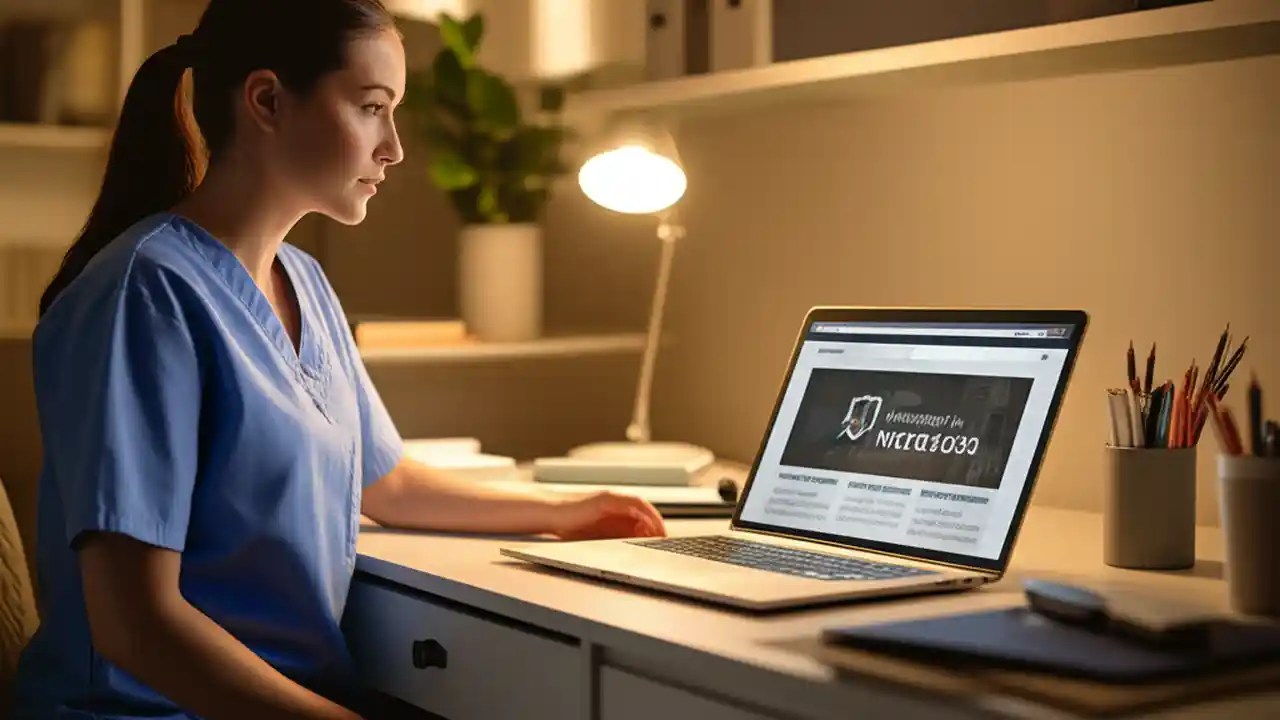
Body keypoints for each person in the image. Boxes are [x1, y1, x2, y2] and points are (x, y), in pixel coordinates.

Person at [11, 1, 665, 718]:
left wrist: (566, 511)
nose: (394, 148)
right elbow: (137, 628)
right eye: (371, 108)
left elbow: (389, 483)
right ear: (266, 101)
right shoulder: (146, 292)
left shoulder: (306, 283)